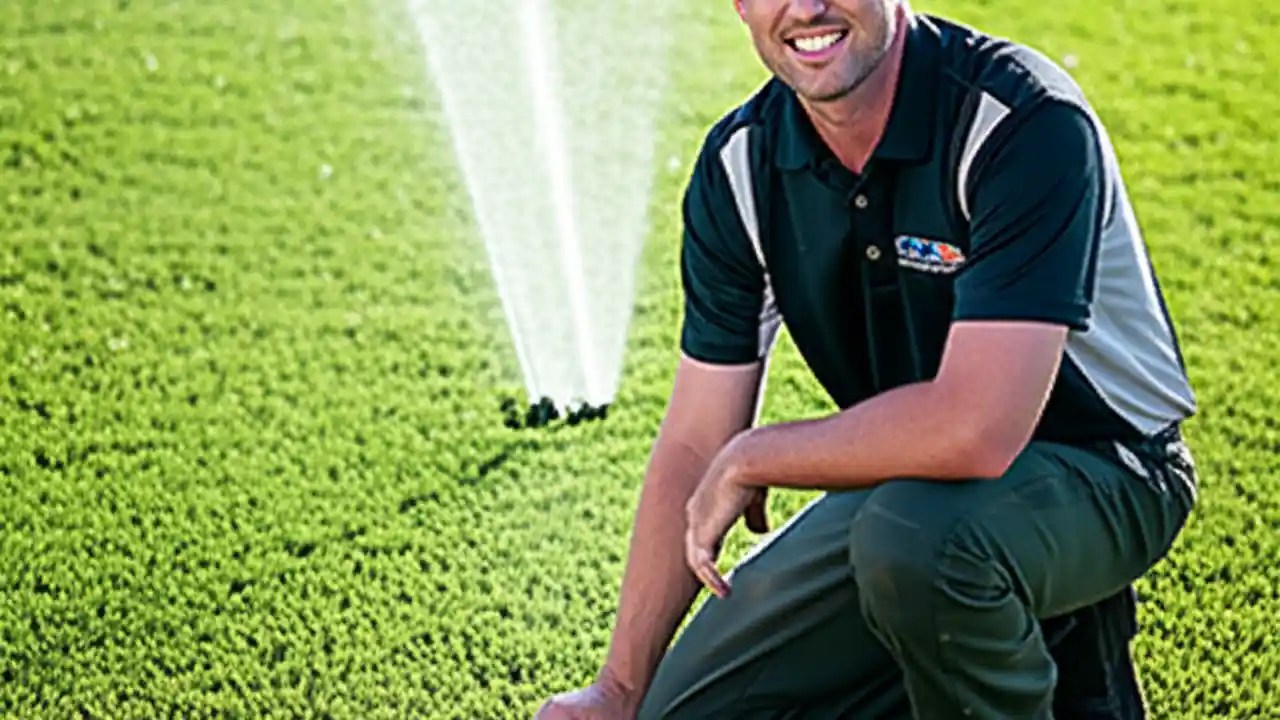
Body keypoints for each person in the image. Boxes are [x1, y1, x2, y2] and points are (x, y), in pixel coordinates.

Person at [535, 0, 1198, 717]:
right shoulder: (740, 166)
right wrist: (618, 689)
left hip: (1106, 468)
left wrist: (755, 455)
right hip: (907, 482)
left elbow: (978, 428)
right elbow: (699, 437)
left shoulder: (1020, 120)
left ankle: (1069, 652)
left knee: (920, 545)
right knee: (688, 712)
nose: (808, 8)